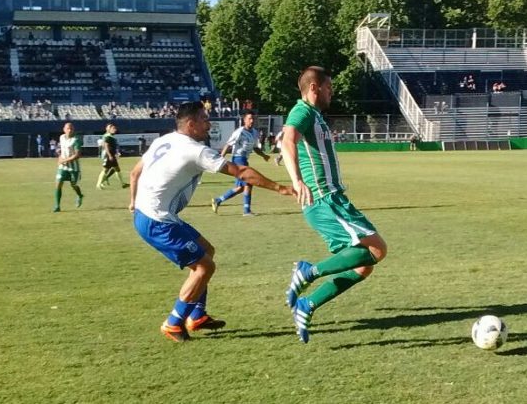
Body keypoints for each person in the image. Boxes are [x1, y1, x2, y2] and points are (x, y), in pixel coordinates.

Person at [128, 101, 294, 342]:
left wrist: (134, 201)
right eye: (205, 119)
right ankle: (174, 322)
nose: (209, 124)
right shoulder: (195, 150)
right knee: (205, 267)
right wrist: (280, 188)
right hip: (158, 221)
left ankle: (197, 316)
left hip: (148, 214)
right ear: (191, 124)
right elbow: (241, 172)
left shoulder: (162, 141)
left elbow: (135, 172)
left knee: (207, 251)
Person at [282, 66, 387, 344]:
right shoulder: (302, 111)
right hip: (324, 199)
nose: (332, 91)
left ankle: (308, 305)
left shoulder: (315, 116)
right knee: (377, 249)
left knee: (363, 265)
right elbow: (287, 139)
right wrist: (296, 180)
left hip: (334, 199)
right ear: (314, 87)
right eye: (328, 87)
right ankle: (308, 272)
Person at [211, 111, 270, 216]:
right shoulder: (239, 132)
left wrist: (264, 155)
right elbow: (228, 144)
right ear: (244, 120)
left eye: (253, 119)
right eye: (249, 118)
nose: (252, 121)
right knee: (249, 183)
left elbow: (255, 148)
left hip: (244, 160)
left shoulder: (254, 132)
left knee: (241, 188)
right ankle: (246, 211)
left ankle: (218, 200)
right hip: (238, 160)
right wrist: (220, 158)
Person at [53, 122, 84, 212]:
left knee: (74, 185)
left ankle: (79, 195)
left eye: (71, 129)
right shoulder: (61, 137)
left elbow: (77, 155)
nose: (69, 130)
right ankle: (57, 206)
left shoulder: (76, 140)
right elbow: (61, 150)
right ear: (64, 129)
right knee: (58, 183)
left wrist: (64, 160)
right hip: (62, 167)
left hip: (73, 167)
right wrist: (59, 158)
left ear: (73, 130)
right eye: (68, 128)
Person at [96, 123, 129, 189]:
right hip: (108, 155)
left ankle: (123, 184)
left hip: (112, 155)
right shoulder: (107, 136)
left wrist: (116, 153)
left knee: (116, 169)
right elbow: (106, 145)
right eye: (113, 128)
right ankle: (99, 184)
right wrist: (110, 155)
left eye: (115, 128)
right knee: (106, 170)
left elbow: (111, 146)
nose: (115, 130)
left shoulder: (111, 136)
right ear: (108, 129)